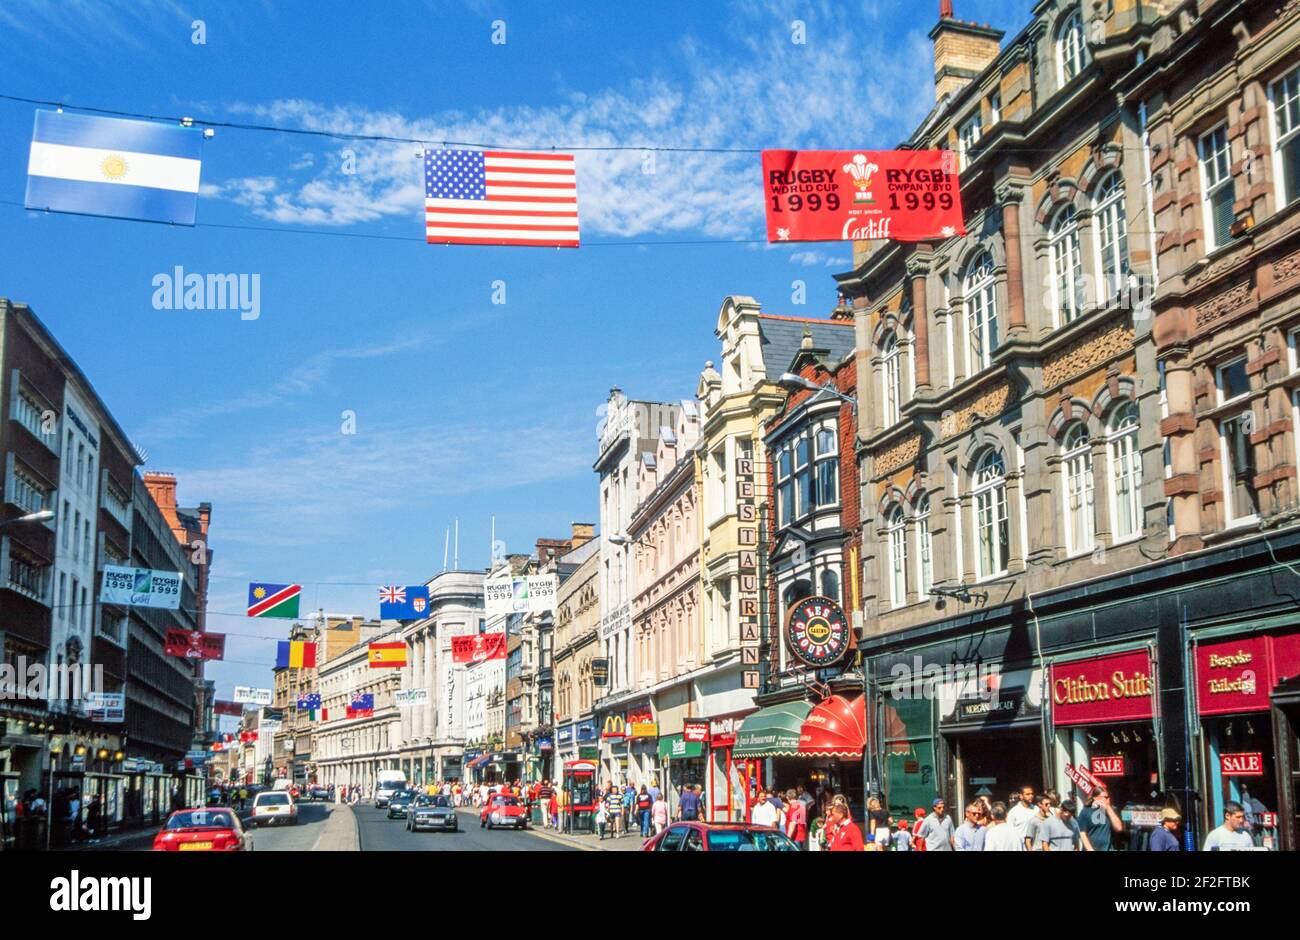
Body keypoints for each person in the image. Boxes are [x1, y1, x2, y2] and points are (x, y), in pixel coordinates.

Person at [1077, 786, 1124, 852]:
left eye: (1108, 797)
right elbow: (1082, 833)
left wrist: (1107, 807)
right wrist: (1090, 849)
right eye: (1105, 797)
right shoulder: (1086, 811)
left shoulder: (1111, 811)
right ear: (1095, 798)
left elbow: (1119, 828)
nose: (1108, 800)